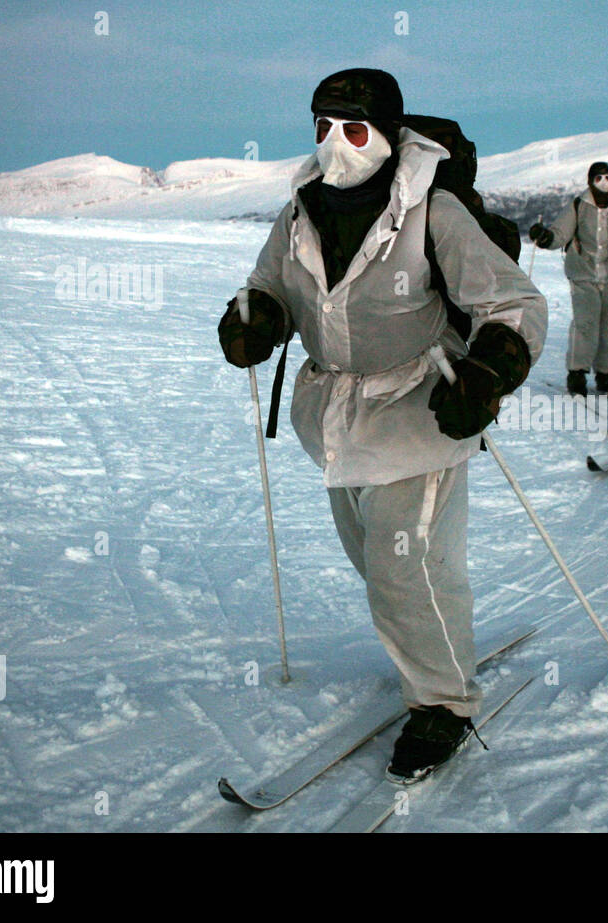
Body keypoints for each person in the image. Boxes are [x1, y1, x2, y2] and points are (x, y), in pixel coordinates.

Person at [217, 68, 547, 782]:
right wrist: (258, 319)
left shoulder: (432, 209)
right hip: (337, 415)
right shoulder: (301, 211)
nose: (336, 145)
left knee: (401, 565)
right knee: (379, 561)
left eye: (354, 130)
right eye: (323, 128)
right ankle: (427, 637)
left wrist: (490, 370)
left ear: (388, 136)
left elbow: (512, 301)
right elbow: (269, 284)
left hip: (421, 408)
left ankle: (443, 704)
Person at [528, 162, 608, 396]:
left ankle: (606, 373)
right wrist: (546, 237)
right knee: (586, 324)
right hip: (583, 273)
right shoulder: (579, 205)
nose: (603, 182)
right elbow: (561, 232)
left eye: (607, 177)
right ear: (590, 181)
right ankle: (577, 372)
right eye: (599, 178)